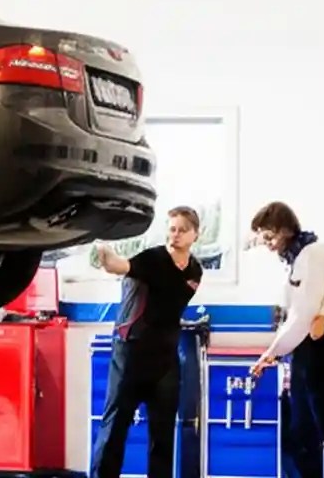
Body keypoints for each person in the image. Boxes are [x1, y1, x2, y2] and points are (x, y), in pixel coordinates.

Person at [247, 201, 324, 478]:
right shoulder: (296, 259)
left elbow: (303, 316)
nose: (267, 243)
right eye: (263, 237)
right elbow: (295, 318)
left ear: (287, 230)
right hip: (306, 351)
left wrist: (271, 353)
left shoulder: (314, 254)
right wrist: (278, 350)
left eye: (269, 236)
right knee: (300, 431)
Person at [89, 205, 204, 478]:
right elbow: (119, 266)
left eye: (182, 230)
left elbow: (171, 300)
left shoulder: (195, 271)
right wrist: (102, 246)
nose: (175, 235)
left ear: (195, 235)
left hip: (165, 358)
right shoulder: (152, 259)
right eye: (172, 229)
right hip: (131, 354)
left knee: (163, 435)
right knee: (115, 427)